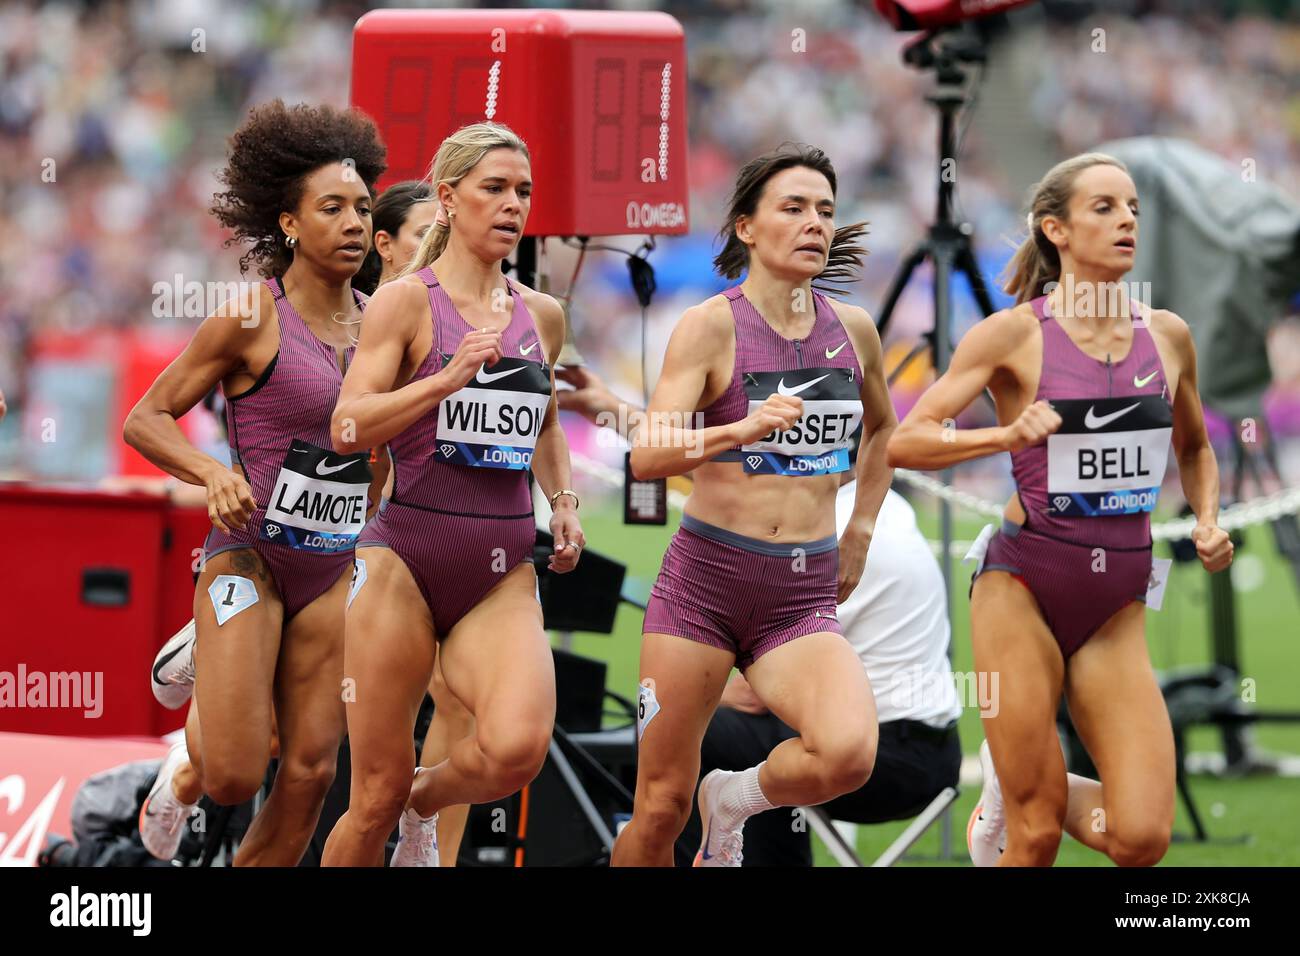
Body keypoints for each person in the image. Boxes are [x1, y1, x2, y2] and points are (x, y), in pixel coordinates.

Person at [887, 152, 1233, 867]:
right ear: (1058, 230)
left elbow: (1195, 448)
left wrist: (1206, 517)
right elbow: (906, 440)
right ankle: (1021, 795)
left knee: (1140, 839)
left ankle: (1012, 790)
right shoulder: (1012, 335)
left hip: (1117, 605)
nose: (1127, 219)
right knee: (1036, 832)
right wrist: (1003, 434)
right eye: (1104, 207)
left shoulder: (1167, 335)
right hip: (1023, 585)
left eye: (1132, 206)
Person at [610, 143, 897, 868]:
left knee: (848, 754)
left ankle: (734, 798)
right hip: (703, 588)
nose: (814, 224)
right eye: (793, 208)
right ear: (746, 227)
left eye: (825, 211)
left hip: (799, 596)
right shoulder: (711, 326)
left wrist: (860, 525)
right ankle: (697, 808)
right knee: (658, 809)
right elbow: (648, 454)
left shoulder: (853, 330)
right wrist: (738, 428)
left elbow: (886, 429)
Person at [124, 99, 387, 865]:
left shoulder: (386, 325)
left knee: (308, 773)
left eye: (363, 209)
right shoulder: (250, 317)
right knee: (237, 776)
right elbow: (146, 418)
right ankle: (198, 714)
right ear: (291, 225)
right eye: (331, 208)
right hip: (250, 553)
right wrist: (212, 472)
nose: (353, 223)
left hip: (338, 568)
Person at [556, 370, 961, 866]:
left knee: (686, 742)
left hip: (889, 757)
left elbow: (752, 692)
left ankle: (732, 826)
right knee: (699, 748)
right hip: (933, 747)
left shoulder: (819, 534)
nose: (759, 466)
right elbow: (697, 453)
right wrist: (608, 406)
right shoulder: (880, 511)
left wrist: (680, 690)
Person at [321, 122, 584, 867]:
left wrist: (562, 500)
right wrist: (443, 379)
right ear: (448, 197)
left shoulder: (543, 315)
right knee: (369, 797)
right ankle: (398, 802)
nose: (512, 206)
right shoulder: (405, 304)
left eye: (523, 192)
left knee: (516, 749)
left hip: (500, 564)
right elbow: (347, 424)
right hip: (404, 554)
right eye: (494, 189)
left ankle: (425, 803)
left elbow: (546, 422)